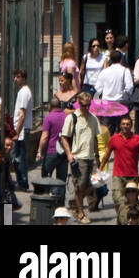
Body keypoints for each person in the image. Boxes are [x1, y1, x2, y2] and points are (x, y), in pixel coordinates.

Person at [59, 91, 101, 225]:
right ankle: (81, 213)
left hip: (90, 157)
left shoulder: (93, 118)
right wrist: (69, 155)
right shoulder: (72, 118)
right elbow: (64, 137)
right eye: (84, 105)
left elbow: (95, 138)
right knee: (80, 186)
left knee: (96, 184)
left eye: (89, 105)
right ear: (78, 103)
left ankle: (75, 203)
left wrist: (98, 156)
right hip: (78, 157)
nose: (87, 108)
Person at [102, 113, 139, 210]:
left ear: (131, 126)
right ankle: (120, 218)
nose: (125, 126)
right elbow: (107, 155)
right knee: (117, 199)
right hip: (118, 175)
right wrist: (100, 168)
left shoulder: (138, 139)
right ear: (120, 125)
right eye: (123, 124)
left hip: (133, 175)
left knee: (132, 201)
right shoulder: (114, 139)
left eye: (128, 124)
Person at [95, 48, 133, 131]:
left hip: (107, 103)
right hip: (121, 102)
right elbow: (129, 87)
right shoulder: (125, 71)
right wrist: (125, 95)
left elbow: (98, 88)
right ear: (121, 59)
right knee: (123, 129)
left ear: (110, 60)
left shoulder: (104, 72)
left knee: (107, 129)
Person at [36, 95, 69, 181]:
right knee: (61, 180)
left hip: (51, 151)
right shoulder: (66, 117)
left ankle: (47, 193)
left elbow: (45, 136)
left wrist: (39, 151)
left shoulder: (48, 118)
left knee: (45, 178)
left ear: (50, 106)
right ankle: (60, 194)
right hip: (63, 152)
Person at [11, 68, 32, 190]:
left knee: (20, 157)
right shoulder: (22, 91)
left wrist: (16, 132)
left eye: (18, 77)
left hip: (22, 129)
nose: (15, 79)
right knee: (17, 156)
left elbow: (22, 114)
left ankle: (23, 182)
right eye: (15, 77)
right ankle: (21, 181)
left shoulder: (24, 92)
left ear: (23, 78)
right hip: (21, 128)